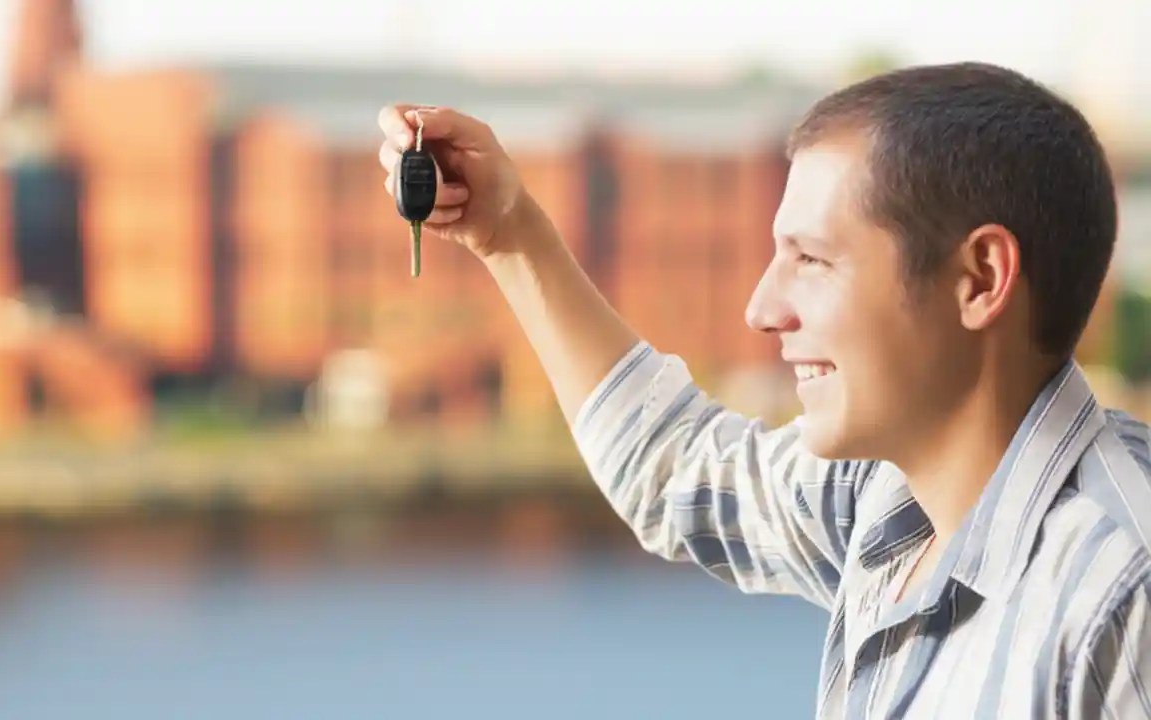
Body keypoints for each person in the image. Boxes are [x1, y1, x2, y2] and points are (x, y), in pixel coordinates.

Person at [376, 61, 1151, 719]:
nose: (760, 310)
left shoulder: (1120, 592)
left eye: (810, 260)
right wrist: (507, 233)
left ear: (979, 278)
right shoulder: (887, 505)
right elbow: (677, 471)